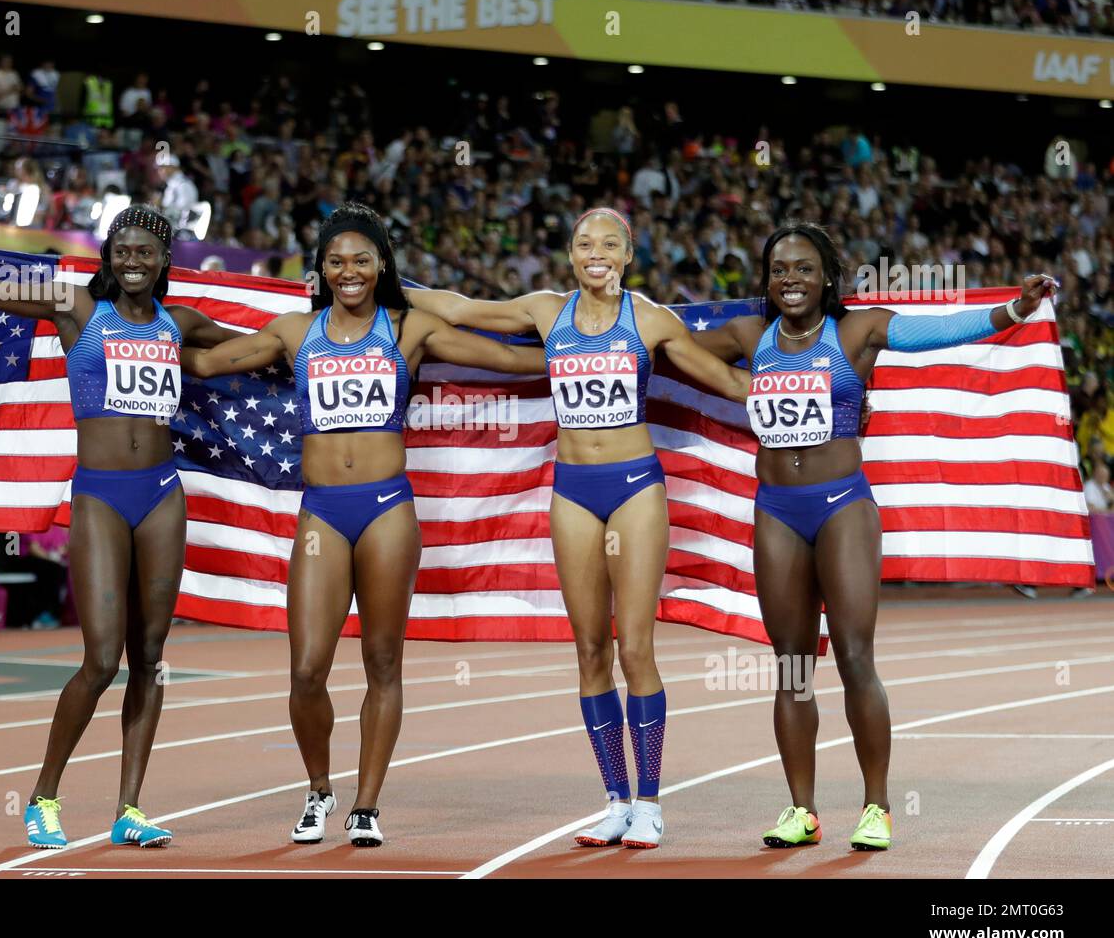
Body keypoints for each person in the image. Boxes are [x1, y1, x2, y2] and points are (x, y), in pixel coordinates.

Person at [0, 205, 240, 850]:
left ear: (164, 260)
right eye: (123, 250)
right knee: (99, 658)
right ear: (109, 256)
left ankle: (130, 809)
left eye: (146, 251)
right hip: (100, 497)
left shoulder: (184, 324)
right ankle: (44, 797)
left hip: (164, 496)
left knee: (149, 659)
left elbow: (261, 348)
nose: (133, 261)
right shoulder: (76, 309)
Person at [182, 202, 546, 847]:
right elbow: (209, 364)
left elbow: (515, 362)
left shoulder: (409, 328)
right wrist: (143, 328)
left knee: (382, 660)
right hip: (322, 510)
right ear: (320, 271)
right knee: (306, 669)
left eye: (360, 260)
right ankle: (319, 789)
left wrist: (588, 340)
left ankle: (367, 804)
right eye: (334, 261)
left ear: (381, 266)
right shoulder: (297, 330)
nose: (347, 271)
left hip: (386, 509)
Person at [691, 221, 1051, 851]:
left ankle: (877, 805)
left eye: (804, 269)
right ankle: (801, 811)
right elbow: (675, 347)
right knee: (794, 666)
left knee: (856, 657)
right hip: (776, 509)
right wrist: (616, 323)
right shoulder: (751, 335)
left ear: (827, 275)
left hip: (841, 507)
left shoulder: (856, 330)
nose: (791, 280)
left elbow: (937, 332)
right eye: (779, 270)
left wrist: (1014, 309)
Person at [404, 207, 751, 849]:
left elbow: (728, 380)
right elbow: (458, 307)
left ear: (627, 255)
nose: (597, 253)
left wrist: (819, 392)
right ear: (570, 253)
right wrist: (381, 279)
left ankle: (650, 802)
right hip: (572, 491)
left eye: (609, 244)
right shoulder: (544, 311)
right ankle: (615, 799)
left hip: (634, 489)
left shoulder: (651, 320)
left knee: (634, 648)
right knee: (589, 648)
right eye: (585, 243)